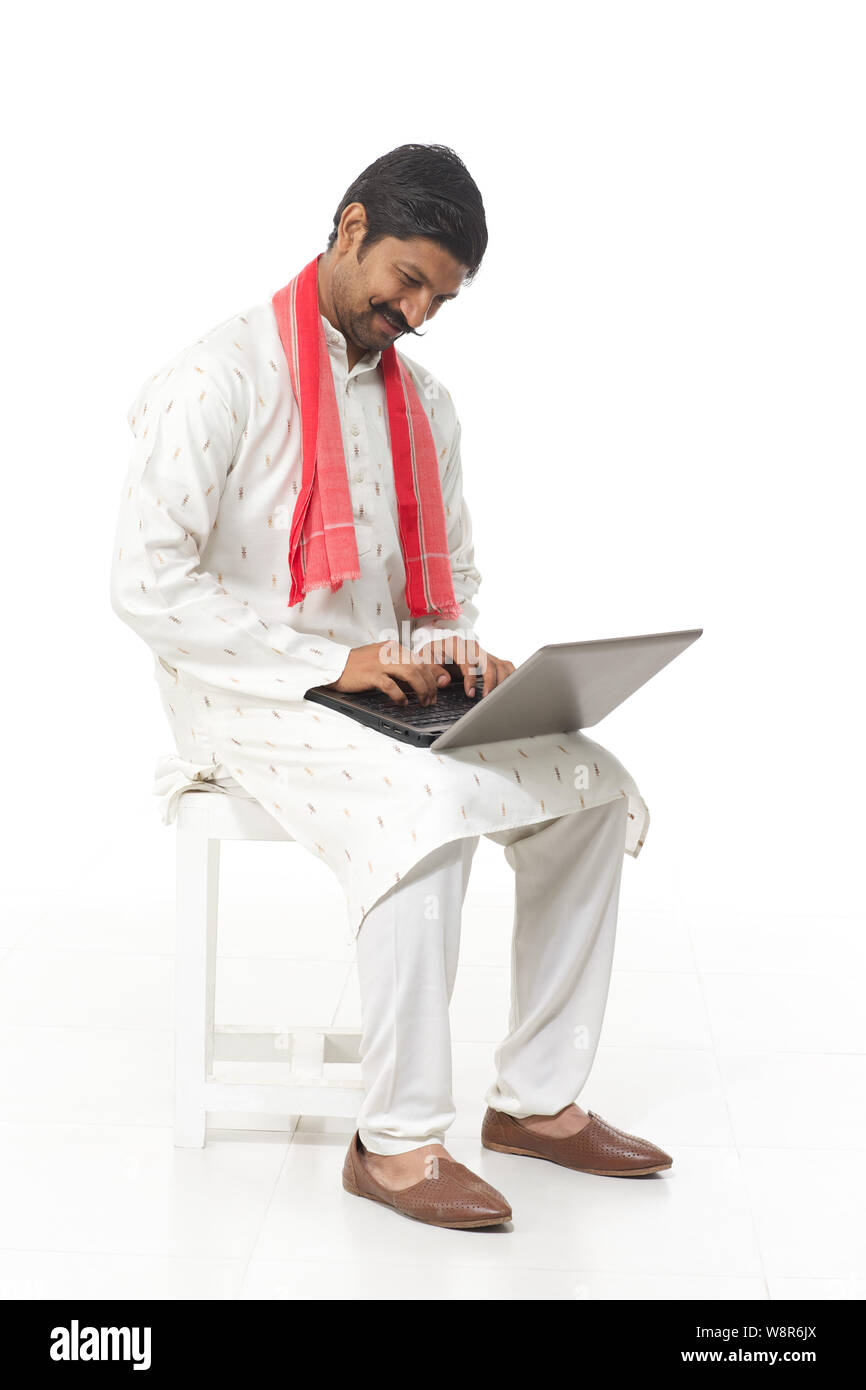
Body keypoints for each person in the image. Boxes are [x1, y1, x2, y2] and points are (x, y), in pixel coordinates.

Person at [110, 142, 672, 1231]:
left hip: (383, 688)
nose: (415, 312)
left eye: (439, 297)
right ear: (350, 225)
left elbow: (447, 584)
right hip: (247, 692)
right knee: (431, 804)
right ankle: (397, 1143)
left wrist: (455, 654)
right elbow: (144, 584)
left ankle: (536, 1100)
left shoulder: (428, 405)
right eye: (406, 280)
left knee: (591, 784)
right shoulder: (216, 377)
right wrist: (332, 664)